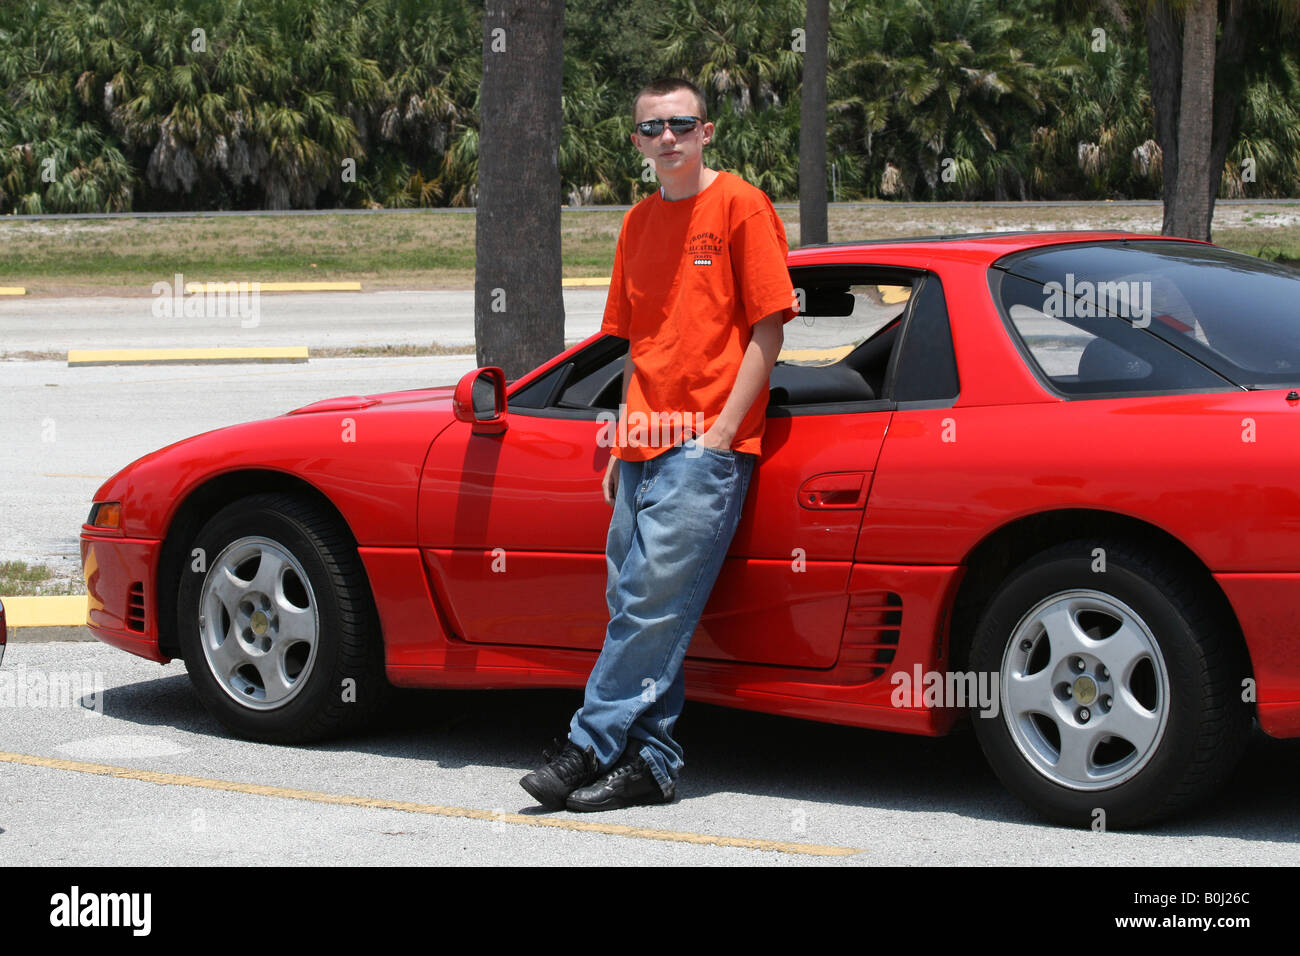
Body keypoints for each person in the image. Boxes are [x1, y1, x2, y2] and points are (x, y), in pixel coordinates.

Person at [519, 76, 797, 812]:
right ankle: (653, 762)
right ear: (637, 142)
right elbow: (640, 345)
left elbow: (768, 329)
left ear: (707, 131)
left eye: (681, 124)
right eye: (651, 129)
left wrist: (721, 436)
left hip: (704, 449)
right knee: (641, 608)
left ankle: (586, 744)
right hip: (641, 445)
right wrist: (618, 440)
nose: (666, 138)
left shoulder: (740, 205)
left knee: (647, 607)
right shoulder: (638, 223)